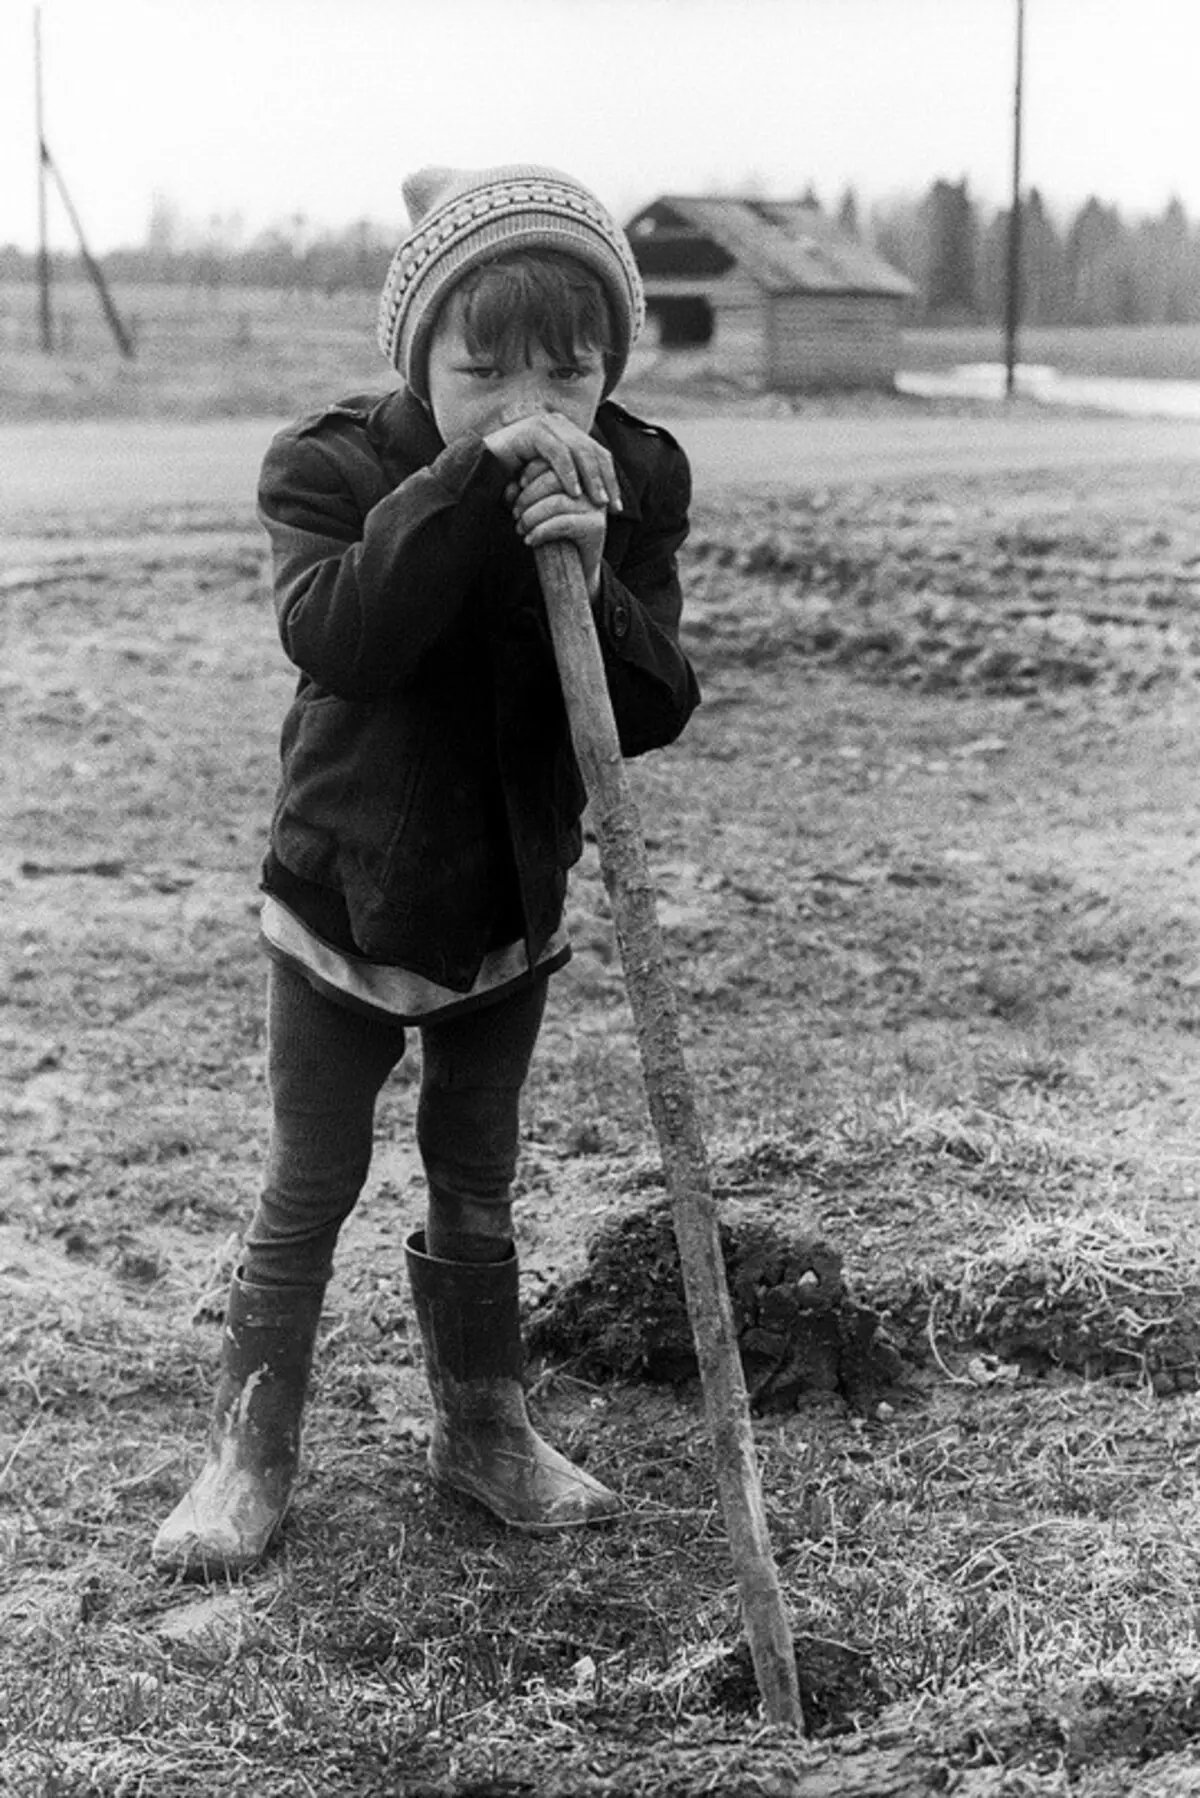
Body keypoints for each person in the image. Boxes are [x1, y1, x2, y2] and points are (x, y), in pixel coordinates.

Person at [151, 165, 700, 1576]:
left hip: (504, 901)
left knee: (476, 1178)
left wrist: (596, 575)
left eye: (567, 373)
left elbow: (653, 704)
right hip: (343, 898)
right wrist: (468, 483)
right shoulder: (328, 465)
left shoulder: (632, 474)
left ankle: (485, 1428)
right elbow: (343, 636)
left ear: (609, 368)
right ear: (422, 361)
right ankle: (248, 1452)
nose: (531, 402)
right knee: (311, 1177)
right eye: (485, 372)